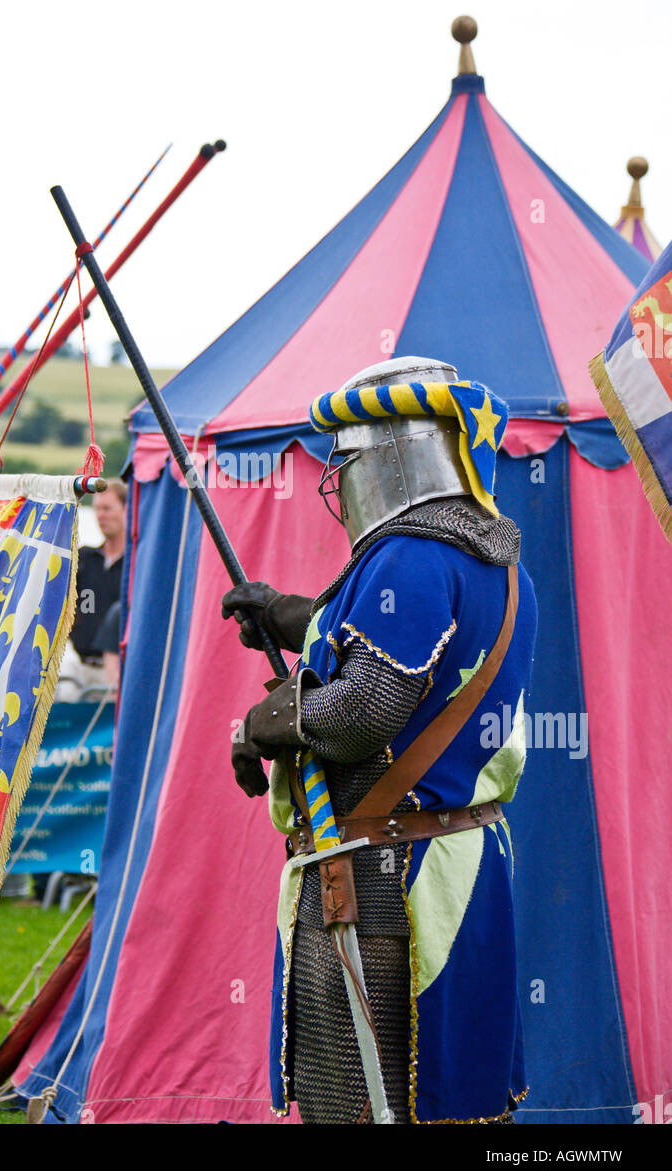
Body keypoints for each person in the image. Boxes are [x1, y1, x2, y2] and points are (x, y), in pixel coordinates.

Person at [222, 357, 538, 1125]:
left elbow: (368, 707)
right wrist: (288, 614)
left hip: (384, 873)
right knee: (450, 1097)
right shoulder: (495, 562)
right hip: (457, 857)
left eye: (349, 459)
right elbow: (394, 644)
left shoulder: (411, 555)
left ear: (396, 456)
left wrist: (273, 722)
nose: (338, 478)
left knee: (368, 1104)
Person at [58, 481, 127, 699]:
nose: (101, 515)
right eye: (97, 509)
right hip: (80, 666)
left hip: (119, 671)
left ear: (127, 510)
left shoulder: (136, 565)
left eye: (107, 508)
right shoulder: (84, 559)